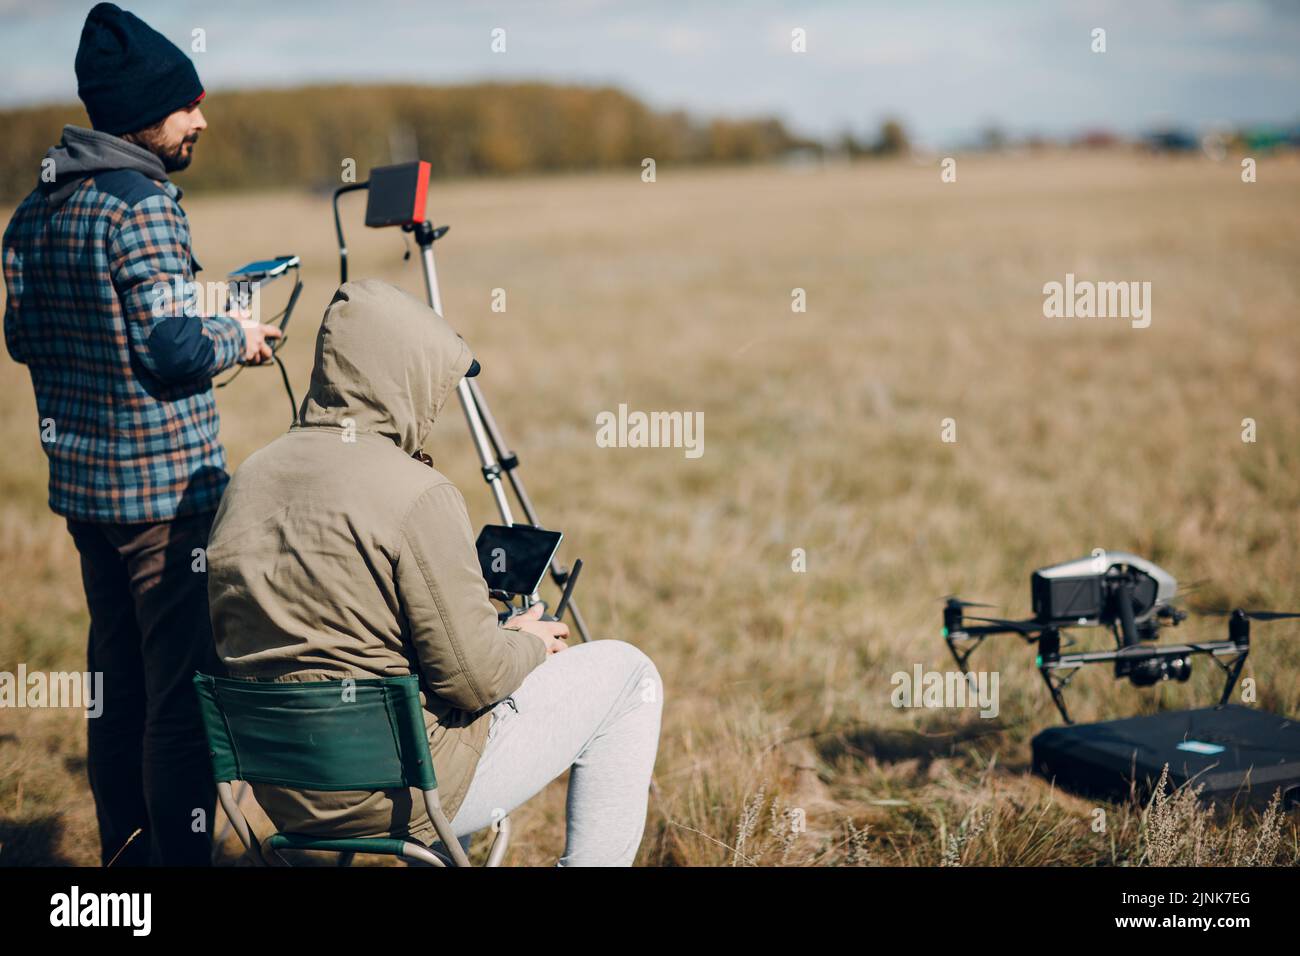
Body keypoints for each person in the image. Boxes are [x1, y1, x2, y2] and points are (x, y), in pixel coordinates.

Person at [206, 279, 664, 866]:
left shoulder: (248, 479)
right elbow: (472, 681)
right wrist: (526, 643)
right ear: (406, 380)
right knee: (631, 675)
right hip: (399, 790)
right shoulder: (418, 493)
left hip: (282, 790)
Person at [2, 3, 280, 866]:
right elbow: (173, 346)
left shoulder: (37, 210)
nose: (201, 119)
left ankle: (124, 859)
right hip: (165, 501)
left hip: (87, 495)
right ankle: (178, 866)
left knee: (114, 686)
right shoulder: (143, 205)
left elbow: (26, 337)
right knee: (179, 697)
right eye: (186, 104)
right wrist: (241, 334)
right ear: (139, 112)